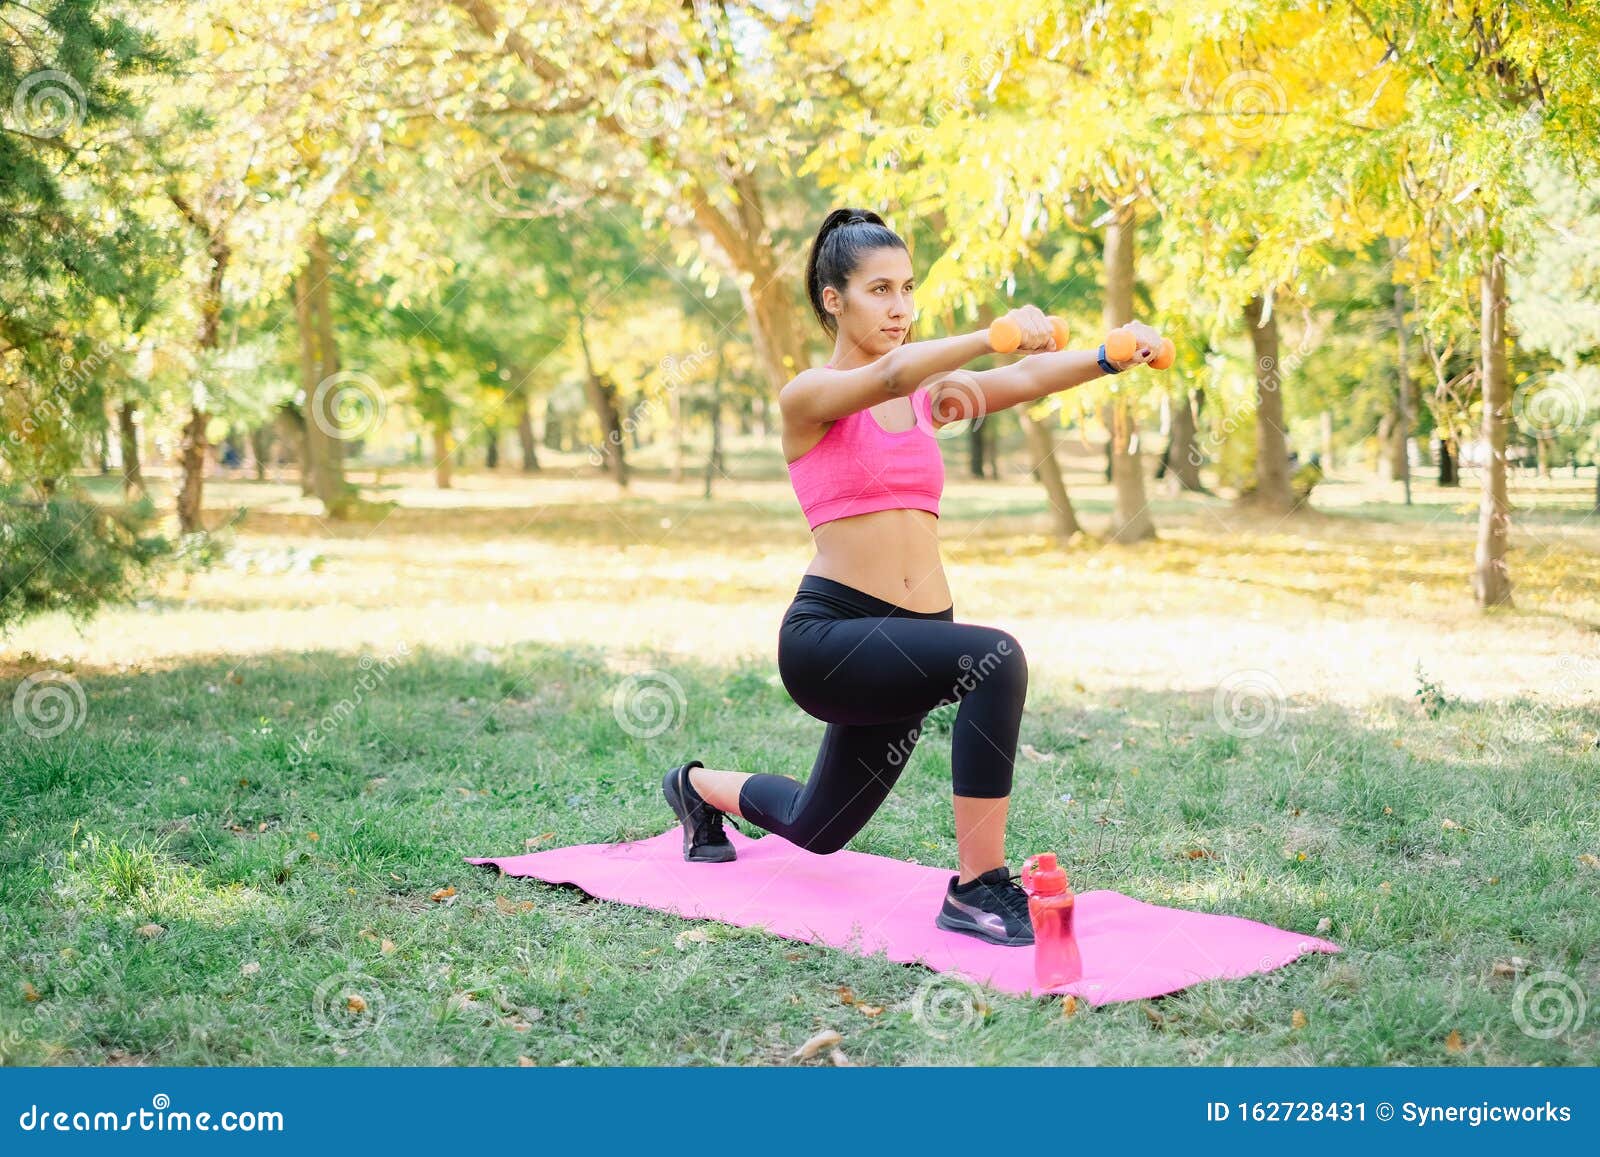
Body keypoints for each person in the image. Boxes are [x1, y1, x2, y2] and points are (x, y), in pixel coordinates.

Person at [662, 208, 1163, 946]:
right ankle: (978, 886)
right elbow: (894, 369)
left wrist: (1108, 356)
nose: (899, 307)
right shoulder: (808, 396)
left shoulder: (925, 401)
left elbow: (1020, 377)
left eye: (908, 288)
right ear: (834, 299)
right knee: (996, 661)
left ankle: (695, 786)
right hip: (831, 638)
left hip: (916, 637)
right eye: (879, 290)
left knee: (818, 825)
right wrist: (992, 329)